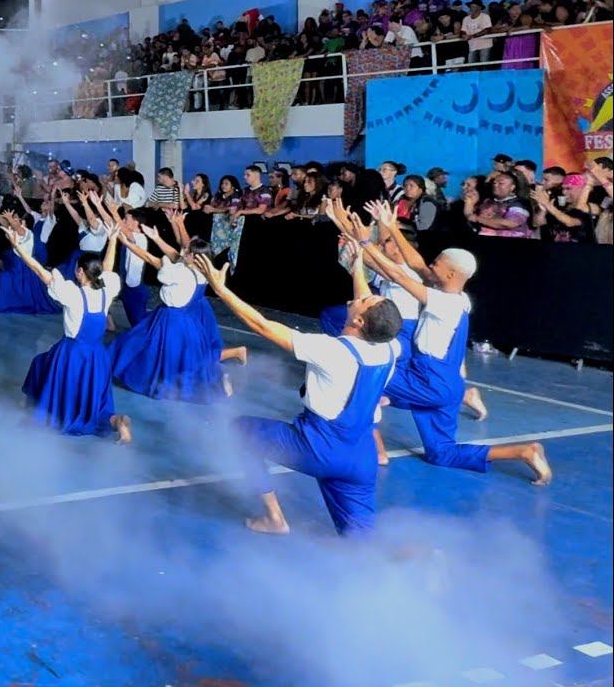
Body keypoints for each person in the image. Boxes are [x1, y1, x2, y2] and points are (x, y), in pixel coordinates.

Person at [197, 249, 403, 536]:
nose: (362, 295)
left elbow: (263, 326)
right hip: (360, 457)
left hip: (319, 447)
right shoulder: (391, 348)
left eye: (366, 299)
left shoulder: (331, 350)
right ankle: (422, 558)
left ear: (358, 322)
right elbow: (372, 313)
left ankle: (274, 518)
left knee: (240, 430)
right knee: (361, 544)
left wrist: (221, 289)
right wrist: (357, 268)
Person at [346, 202, 551, 484]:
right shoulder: (456, 296)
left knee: (361, 373)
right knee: (441, 453)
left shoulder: (443, 303)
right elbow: (416, 263)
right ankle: (524, 451)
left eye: (438, 263)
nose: (431, 264)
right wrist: (390, 225)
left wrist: (365, 241)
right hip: (448, 385)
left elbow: (398, 274)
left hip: (428, 380)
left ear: (453, 273)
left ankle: (374, 442)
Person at [9, 226, 133, 442]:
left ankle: (47, 411)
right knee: (92, 397)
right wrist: (112, 240)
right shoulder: (107, 290)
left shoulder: (73, 294)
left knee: (43, 365)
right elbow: (108, 268)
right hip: (97, 355)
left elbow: (40, 272)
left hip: (73, 352)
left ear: (79, 272)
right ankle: (116, 421)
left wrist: (18, 248)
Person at [110, 223, 246, 401]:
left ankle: (227, 366)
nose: (183, 252)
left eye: (187, 251)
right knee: (185, 356)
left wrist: (126, 243)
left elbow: (155, 260)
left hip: (172, 319)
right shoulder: (205, 272)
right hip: (185, 318)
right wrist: (155, 238)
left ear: (193, 257)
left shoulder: (180, 273)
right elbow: (173, 256)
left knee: (163, 351)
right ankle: (222, 375)